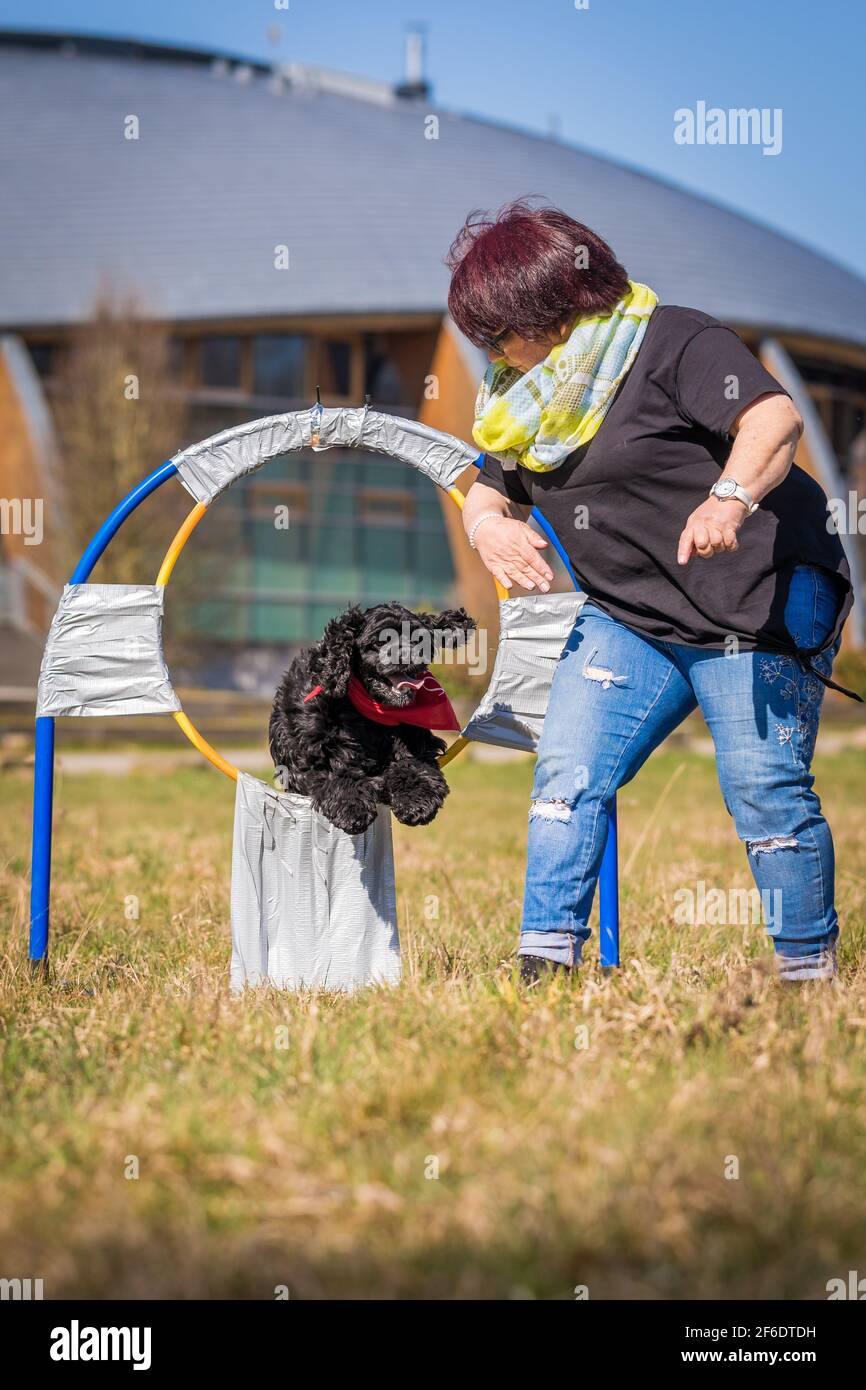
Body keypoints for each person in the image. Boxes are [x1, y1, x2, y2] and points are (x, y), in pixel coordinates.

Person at [447, 200, 857, 985]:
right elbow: (486, 490)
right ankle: (547, 971)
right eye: (481, 338)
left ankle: (808, 980)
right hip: (631, 617)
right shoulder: (521, 403)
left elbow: (773, 419)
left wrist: (728, 498)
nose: (491, 351)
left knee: (762, 786)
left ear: (553, 307)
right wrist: (486, 526)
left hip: (758, 596)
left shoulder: (672, 340)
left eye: (499, 331)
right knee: (566, 775)